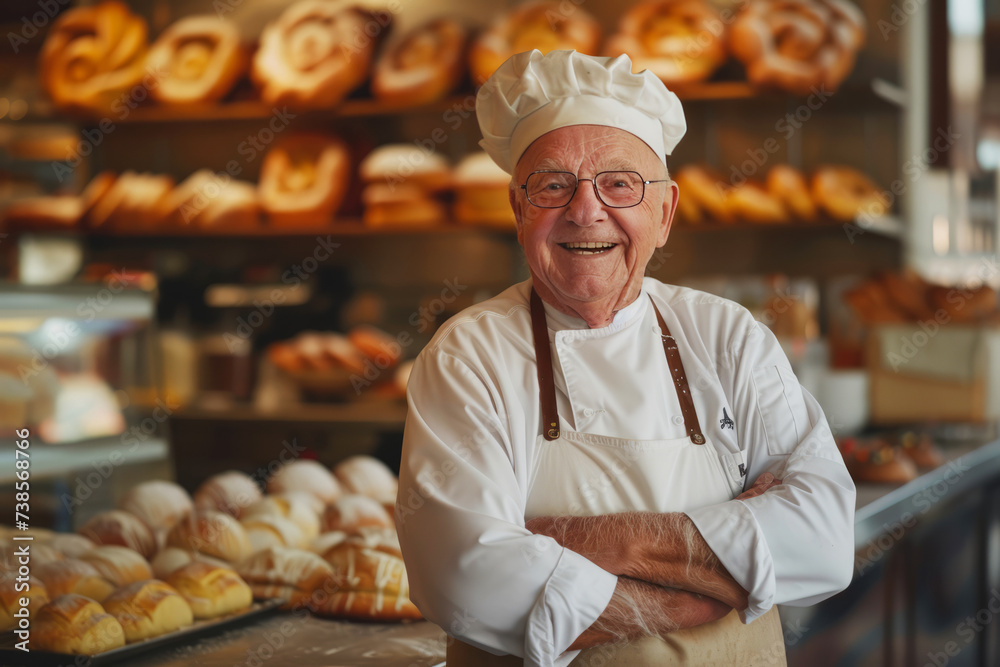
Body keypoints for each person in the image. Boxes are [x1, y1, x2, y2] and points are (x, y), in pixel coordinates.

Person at [395, 49, 855, 667]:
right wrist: (705, 587)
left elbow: (825, 540)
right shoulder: (468, 354)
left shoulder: (727, 335)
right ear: (518, 210)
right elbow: (465, 578)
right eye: (553, 185)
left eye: (620, 183)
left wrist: (588, 542)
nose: (586, 210)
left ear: (663, 214)